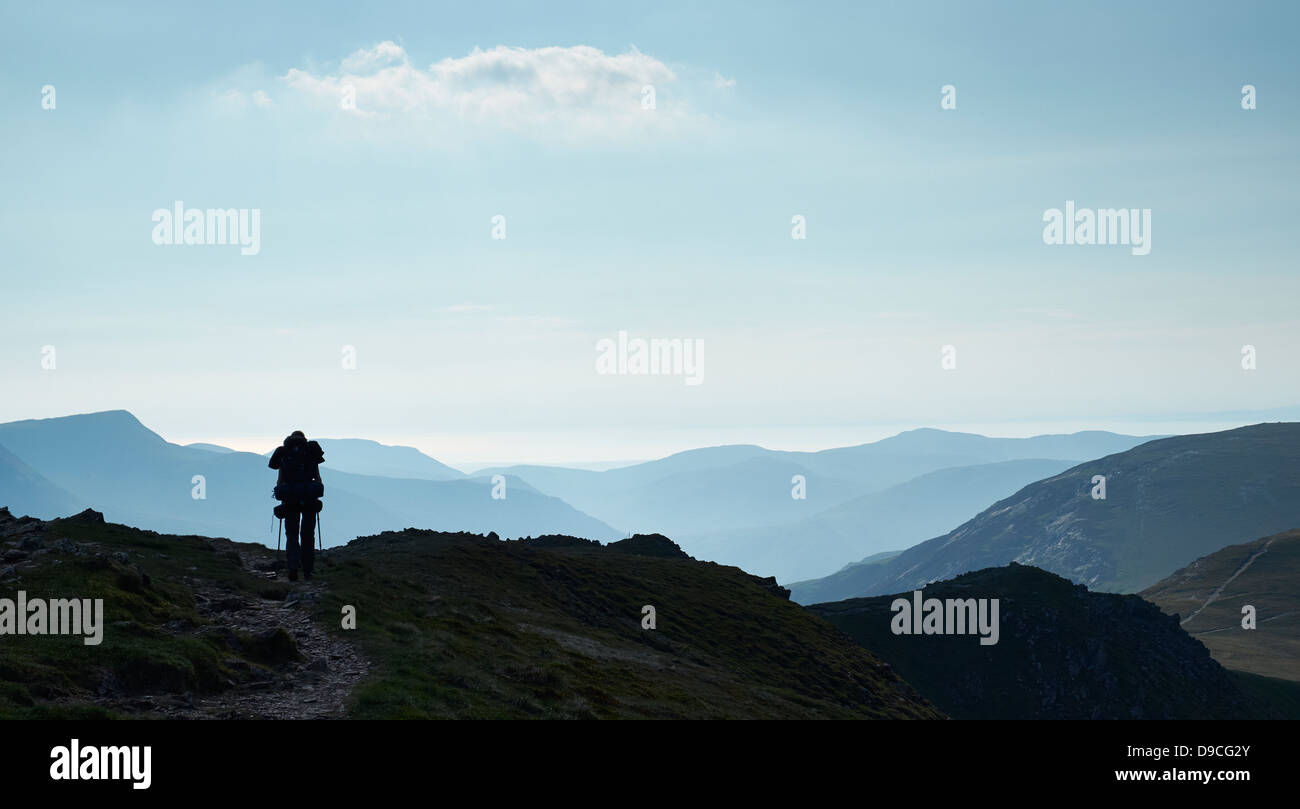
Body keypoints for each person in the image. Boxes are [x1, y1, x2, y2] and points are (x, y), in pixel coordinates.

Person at [268, 430, 325, 581]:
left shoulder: (284, 453)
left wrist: (284, 492)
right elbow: (317, 477)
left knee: (291, 534)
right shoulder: (310, 452)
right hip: (309, 499)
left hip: (290, 500)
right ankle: (308, 571)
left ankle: (293, 569)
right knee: (307, 534)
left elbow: (280, 480)